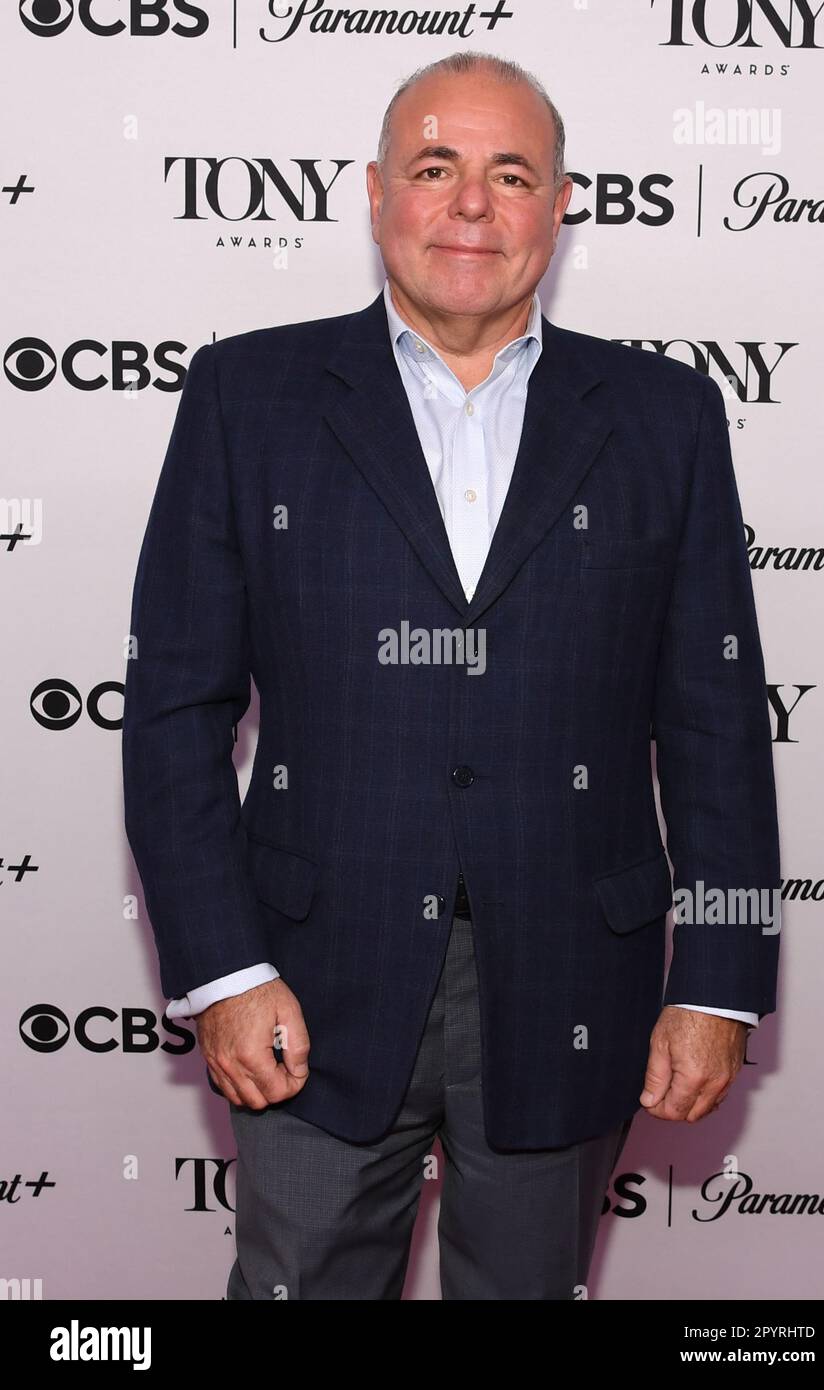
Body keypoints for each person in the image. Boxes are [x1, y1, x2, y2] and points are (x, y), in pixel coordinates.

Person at [122, 51, 780, 1300]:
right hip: (305, 976)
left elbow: (716, 722)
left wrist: (725, 978)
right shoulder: (243, 396)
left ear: (561, 203)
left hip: (573, 974)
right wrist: (221, 967)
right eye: (435, 168)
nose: (470, 205)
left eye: (510, 173)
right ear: (376, 195)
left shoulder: (665, 416)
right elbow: (169, 712)